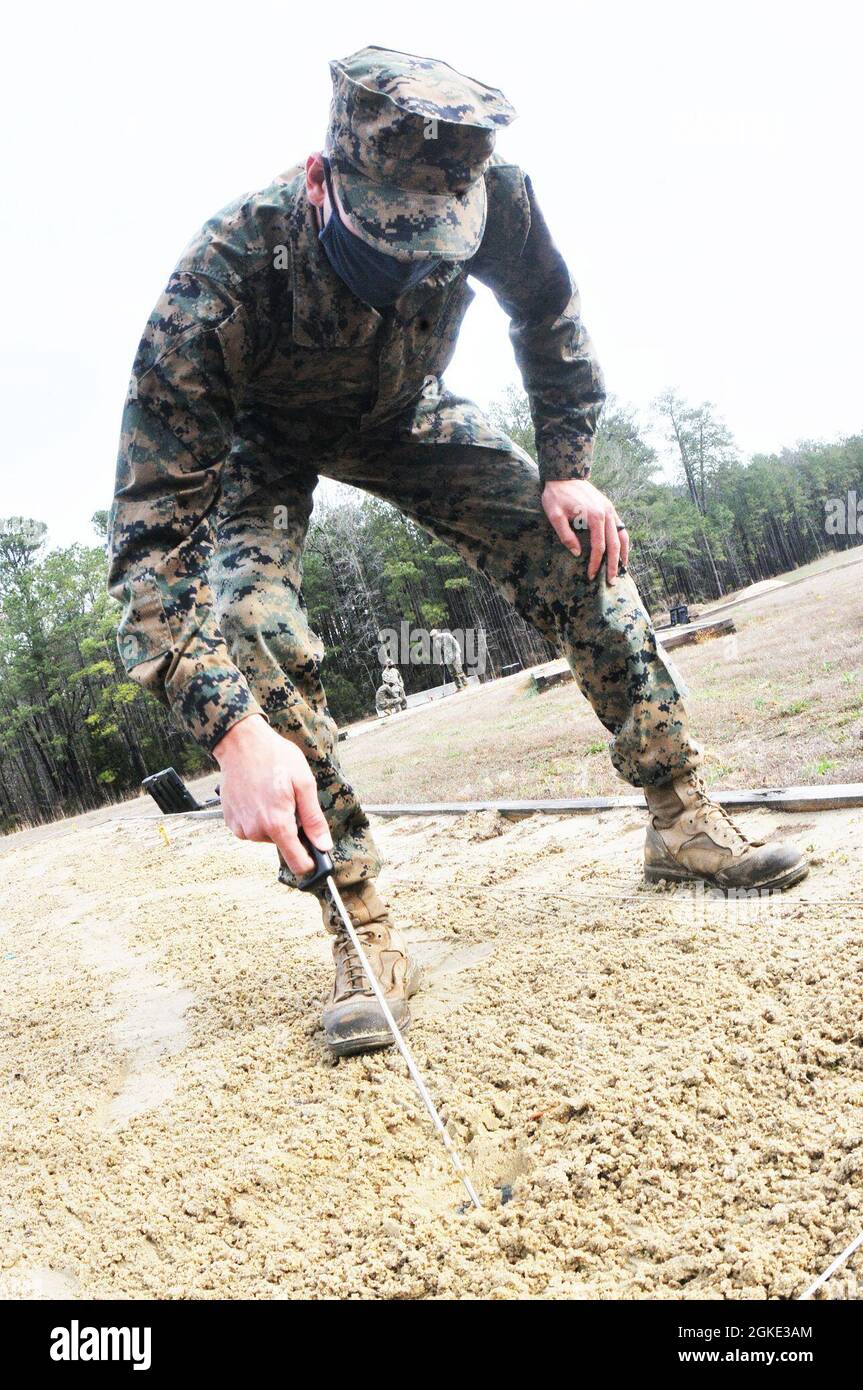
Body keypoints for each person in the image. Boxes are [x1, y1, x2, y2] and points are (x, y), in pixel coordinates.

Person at [108, 45, 807, 1059]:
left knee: (574, 547)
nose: (409, 270)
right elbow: (149, 548)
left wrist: (566, 463)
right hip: (263, 446)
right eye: (385, 241)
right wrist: (230, 731)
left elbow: (548, 313)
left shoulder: (496, 199)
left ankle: (679, 813)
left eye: (432, 247)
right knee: (254, 632)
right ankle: (358, 924)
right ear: (322, 182)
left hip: (405, 413)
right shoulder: (217, 280)